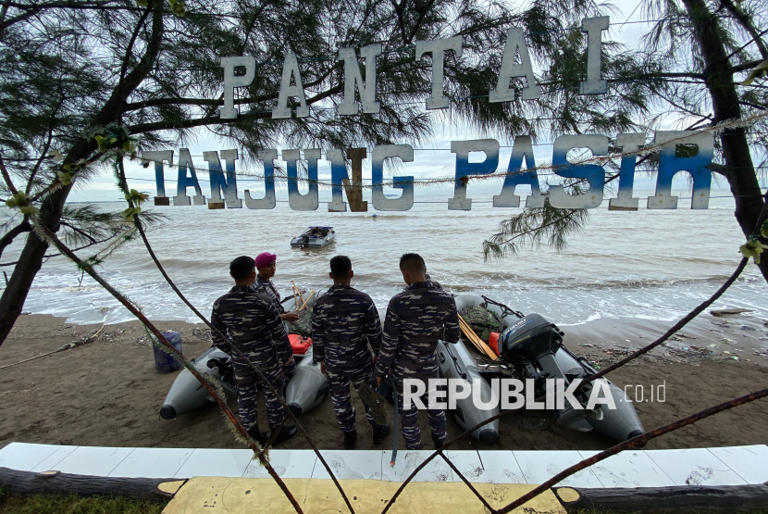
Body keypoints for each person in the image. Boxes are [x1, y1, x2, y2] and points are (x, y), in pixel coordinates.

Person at [374, 253, 460, 449]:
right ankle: (440, 445)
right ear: (425, 270)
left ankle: (415, 451)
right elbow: (454, 337)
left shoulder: (398, 302)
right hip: (430, 366)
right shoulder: (446, 299)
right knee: (436, 409)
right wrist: (434, 330)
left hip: (404, 370)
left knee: (408, 413)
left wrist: (380, 372)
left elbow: (389, 343)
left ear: (406, 275)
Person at [211, 256, 297, 445]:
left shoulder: (221, 303)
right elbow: (278, 335)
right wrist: (287, 358)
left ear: (231, 275)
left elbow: (217, 338)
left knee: (245, 396)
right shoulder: (263, 302)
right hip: (267, 357)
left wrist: (235, 351)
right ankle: (276, 431)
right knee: (274, 393)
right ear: (253, 273)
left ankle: (251, 434)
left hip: (240, 360)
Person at [311, 255, 390, 449]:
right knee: (369, 395)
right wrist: (379, 355)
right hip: (359, 361)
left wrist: (321, 359)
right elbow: (375, 333)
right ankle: (378, 430)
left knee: (340, 399)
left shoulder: (321, 303)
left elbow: (317, 334)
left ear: (330, 275)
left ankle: (349, 434)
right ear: (351, 274)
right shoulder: (362, 300)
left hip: (333, 362)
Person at [253, 251, 300, 323]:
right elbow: (261, 316)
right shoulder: (258, 287)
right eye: (269, 266)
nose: (273, 268)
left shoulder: (268, 282)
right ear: (259, 268)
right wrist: (285, 317)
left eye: (274, 265)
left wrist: (285, 314)